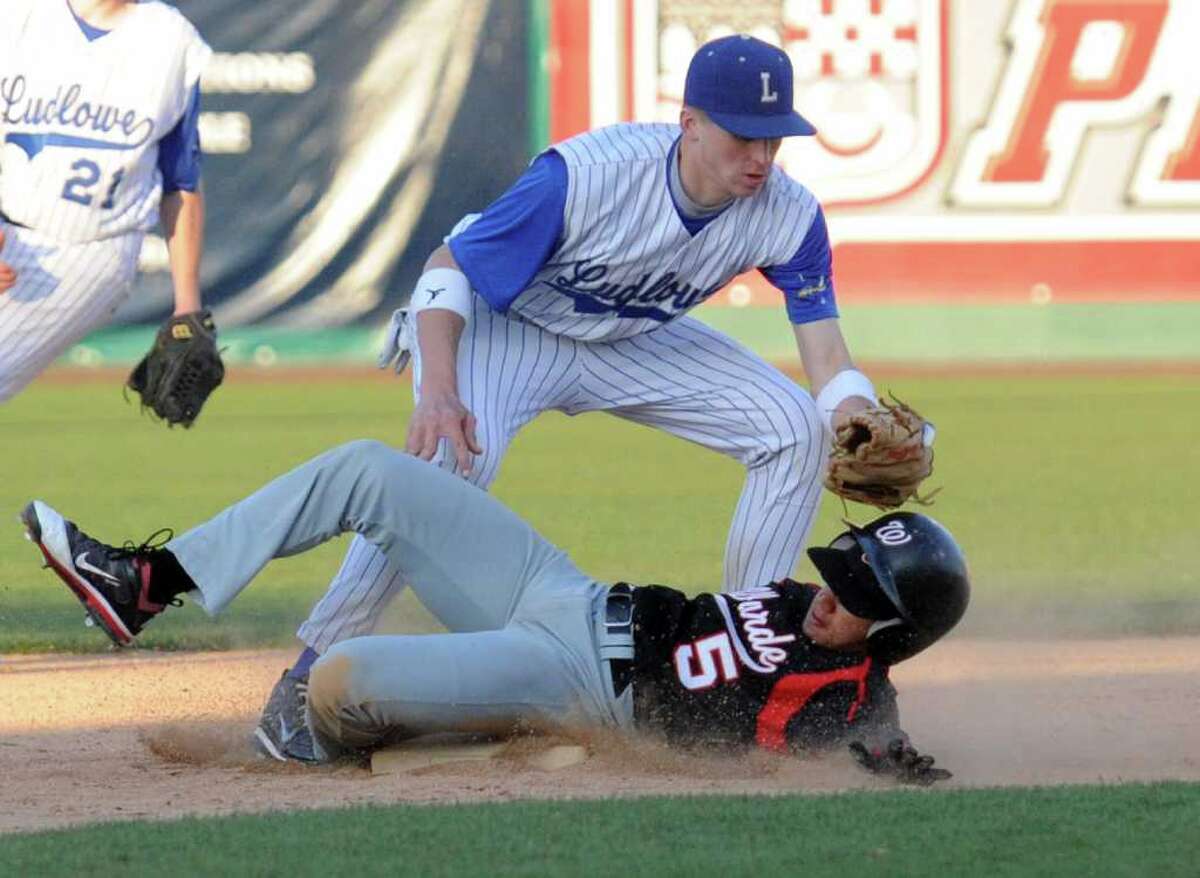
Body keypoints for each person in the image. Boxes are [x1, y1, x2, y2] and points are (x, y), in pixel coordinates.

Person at [261, 34, 936, 758]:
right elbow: (447, 264)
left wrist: (854, 411)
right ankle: (305, 679)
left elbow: (825, 353)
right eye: (744, 137)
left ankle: (751, 661)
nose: (761, 158)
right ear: (690, 124)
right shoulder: (587, 176)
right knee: (447, 459)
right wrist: (440, 394)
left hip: (629, 339)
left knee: (790, 427)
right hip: (513, 329)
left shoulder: (788, 213)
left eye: (775, 139)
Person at [22, 439, 968, 784]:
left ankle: (344, 735)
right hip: (561, 588)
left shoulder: (849, 704)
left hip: (572, 685)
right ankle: (145, 583)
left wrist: (899, 764)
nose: (828, 598)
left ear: (896, 635)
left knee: (342, 675)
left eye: (856, 601)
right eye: (838, 575)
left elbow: (877, 765)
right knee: (370, 470)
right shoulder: (814, 604)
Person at [0, 0, 211, 402]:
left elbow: (180, 180)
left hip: (88, 255)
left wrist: (188, 305)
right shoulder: (16, 16)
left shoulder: (170, 39)